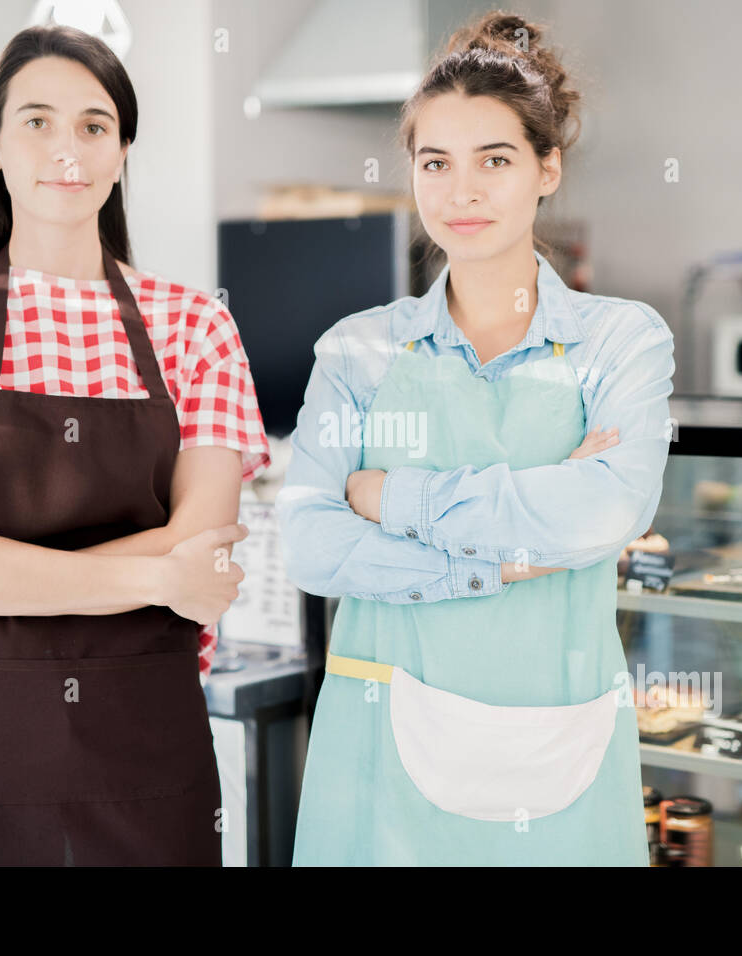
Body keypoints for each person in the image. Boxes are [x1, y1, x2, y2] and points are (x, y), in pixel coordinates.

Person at [0, 26, 270, 865]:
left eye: (94, 125)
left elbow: (204, 552)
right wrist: (155, 576)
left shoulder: (196, 327)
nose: (66, 149)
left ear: (120, 153)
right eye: (36, 121)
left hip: (150, 761)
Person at [277, 11, 675, 865]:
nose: (461, 192)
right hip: (375, 748)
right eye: (436, 163)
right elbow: (309, 544)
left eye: (494, 160)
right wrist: (493, 561)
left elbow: (599, 515)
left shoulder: (620, 340)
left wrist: (393, 497)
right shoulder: (360, 347)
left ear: (546, 168)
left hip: (557, 746)